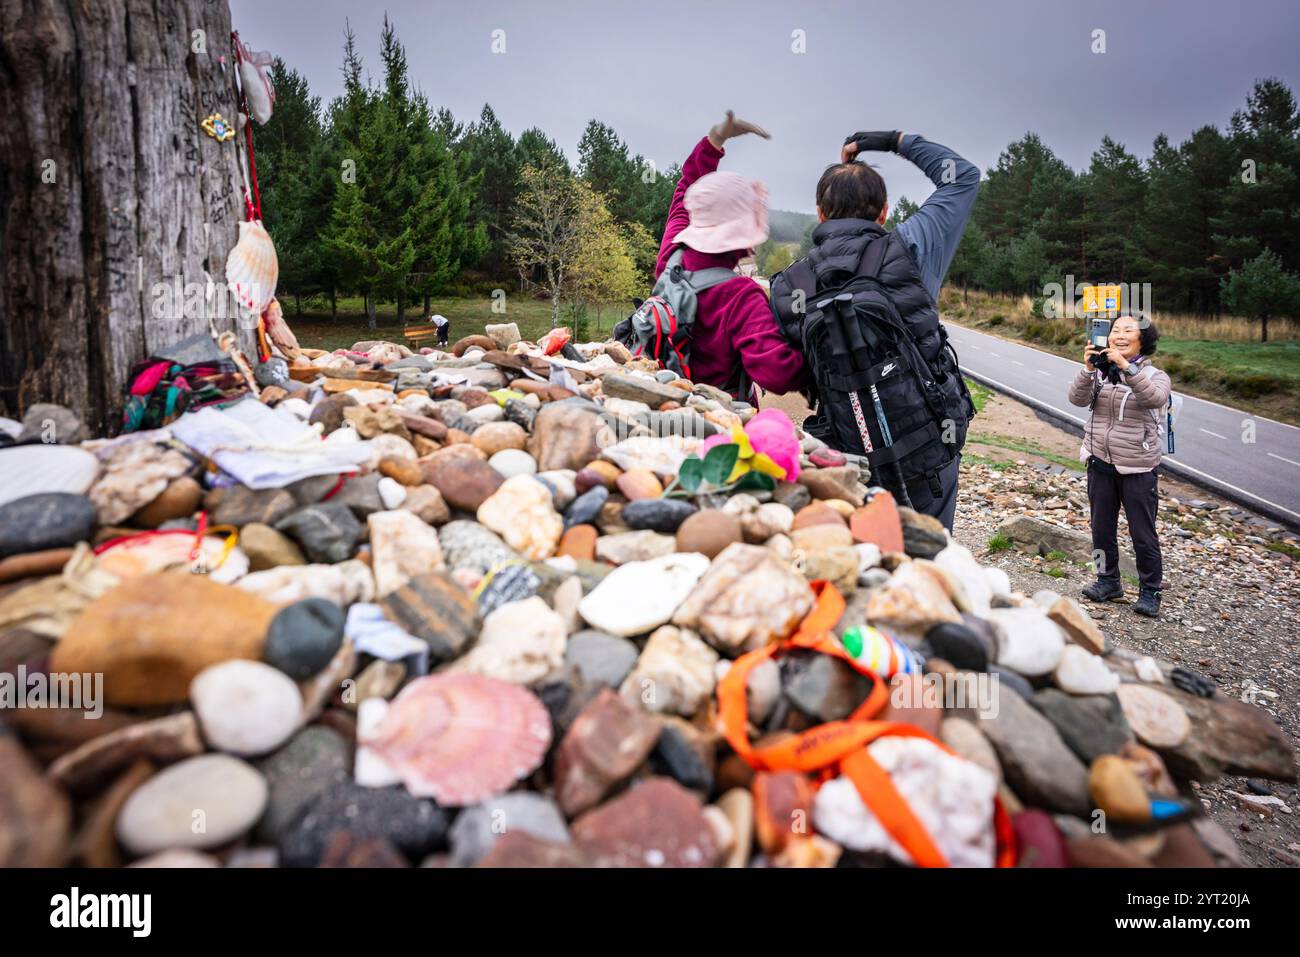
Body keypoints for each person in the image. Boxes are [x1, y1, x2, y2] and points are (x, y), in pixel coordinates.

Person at [772, 129, 980, 530]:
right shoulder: (911, 246)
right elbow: (963, 176)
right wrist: (892, 140)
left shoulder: (788, 285)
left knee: (867, 559)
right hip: (930, 443)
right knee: (928, 553)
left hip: (848, 452)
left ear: (819, 213)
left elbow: (796, 373)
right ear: (884, 211)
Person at [654, 111, 808, 399]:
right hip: (721, 420)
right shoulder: (741, 295)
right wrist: (812, 360)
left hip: (669, 404)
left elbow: (685, 190)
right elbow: (776, 374)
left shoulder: (671, 257)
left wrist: (714, 141)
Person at [1067, 315, 1170, 618]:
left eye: (1129, 331)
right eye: (1115, 330)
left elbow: (1154, 399)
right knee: (1101, 529)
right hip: (1100, 461)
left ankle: (1150, 591)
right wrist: (1087, 370)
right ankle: (1107, 581)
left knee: (1143, 533)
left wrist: (1127, 369)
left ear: (1143, 340)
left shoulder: (1155, 375)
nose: (1120, 335)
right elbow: (1075, 399)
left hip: (1137, 467)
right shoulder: (1100, 372)